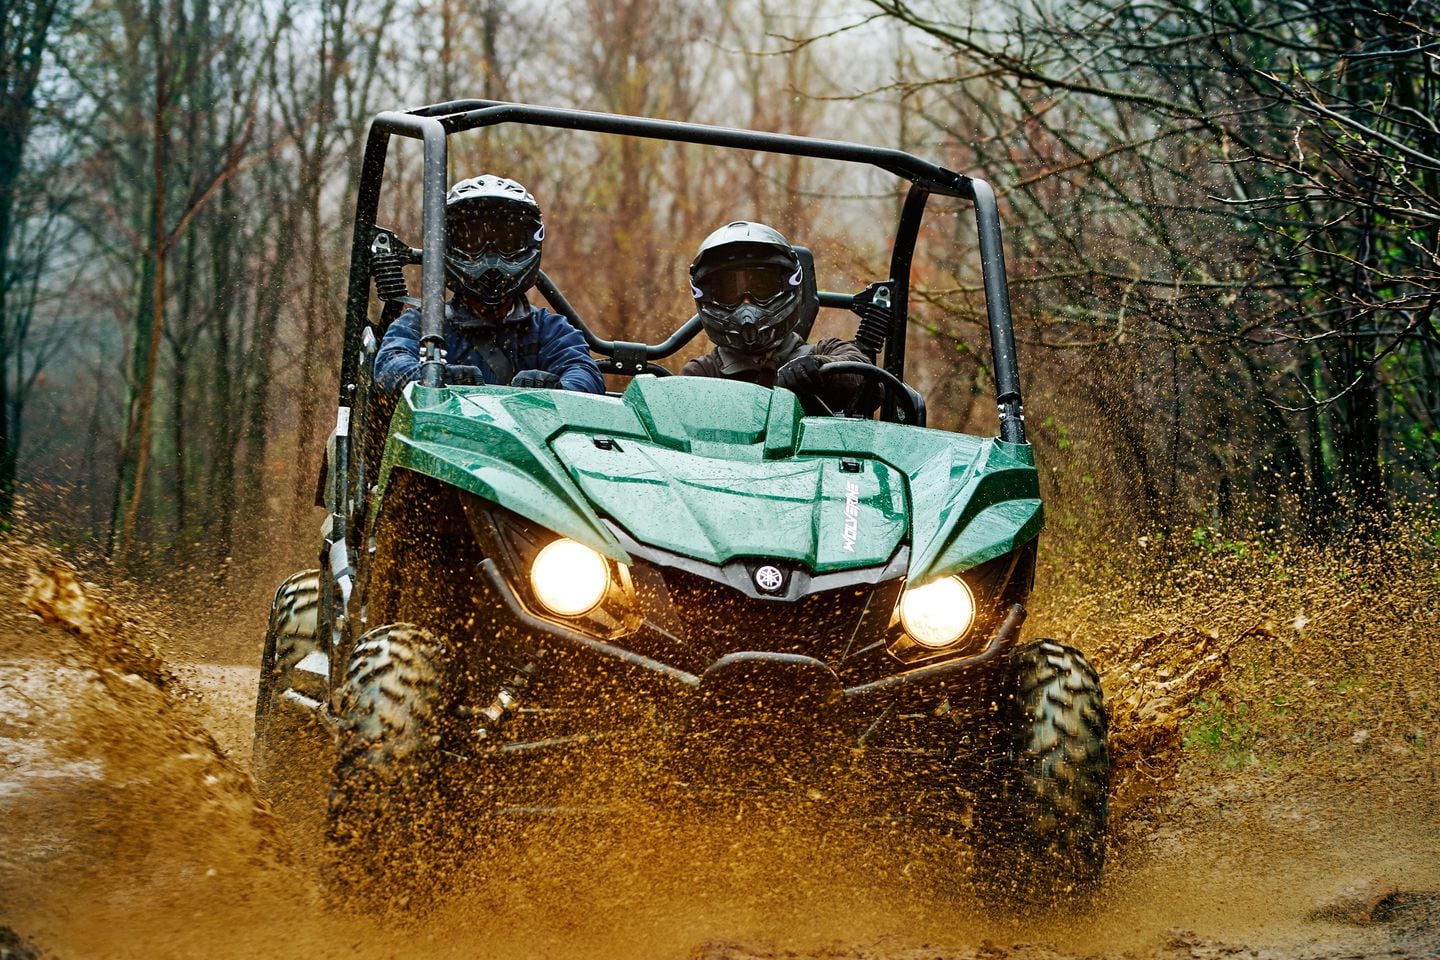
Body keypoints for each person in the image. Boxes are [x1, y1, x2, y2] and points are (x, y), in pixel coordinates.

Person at [375, 174, 604, 395]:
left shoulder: (549, 330)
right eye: (473, 241)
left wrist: (556, 392)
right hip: (437, 422)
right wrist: (433, 379)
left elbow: (584, 373)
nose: (491, 257)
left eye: (507, 240)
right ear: (449, 245)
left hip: (528, 424)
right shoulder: (424, 325)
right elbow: (390, 364)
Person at [680, 220, 874, 413]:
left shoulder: (824, 351)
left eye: (760, 288)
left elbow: (867, 379)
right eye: (730, 292)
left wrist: (819, 368)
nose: (746, 304)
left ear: (787, 285)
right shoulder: (701, 374)